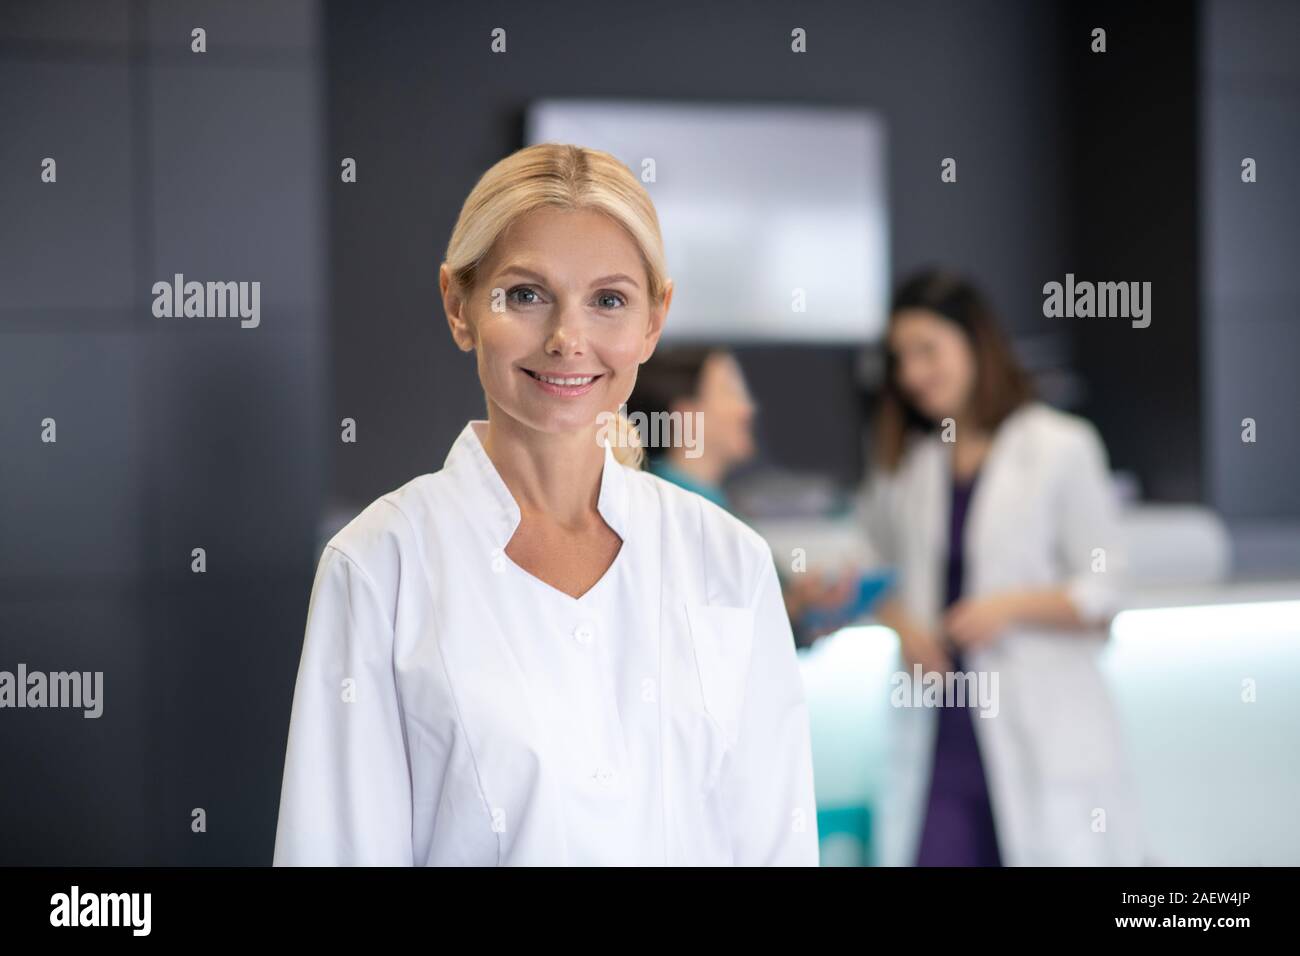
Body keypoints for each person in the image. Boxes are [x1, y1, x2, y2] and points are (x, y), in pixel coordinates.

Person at [272, 143, 819, 866]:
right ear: (458, 306)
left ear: (654, 322)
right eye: (525, 295)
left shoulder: (729, 563)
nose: (568, 339)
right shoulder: (380, 566)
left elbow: (776, 847)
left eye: (609, 300)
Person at [859, 269, 1144, 867]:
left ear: (975, 345)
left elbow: (1106, 586)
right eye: (900, 358)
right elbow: (869, 564)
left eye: (926, 351)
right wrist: (901, 622)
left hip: (1039, 722)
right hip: (942, 726)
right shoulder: (911, 463)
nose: (911, 374)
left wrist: (1008, 607)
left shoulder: (1060, 446)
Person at [625, 346, 858, 646]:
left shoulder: (716, 508)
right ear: (686, 414)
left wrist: (799, 609)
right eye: (731, 392)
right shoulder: (662, 515)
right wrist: (791, 609)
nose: (748, 408)